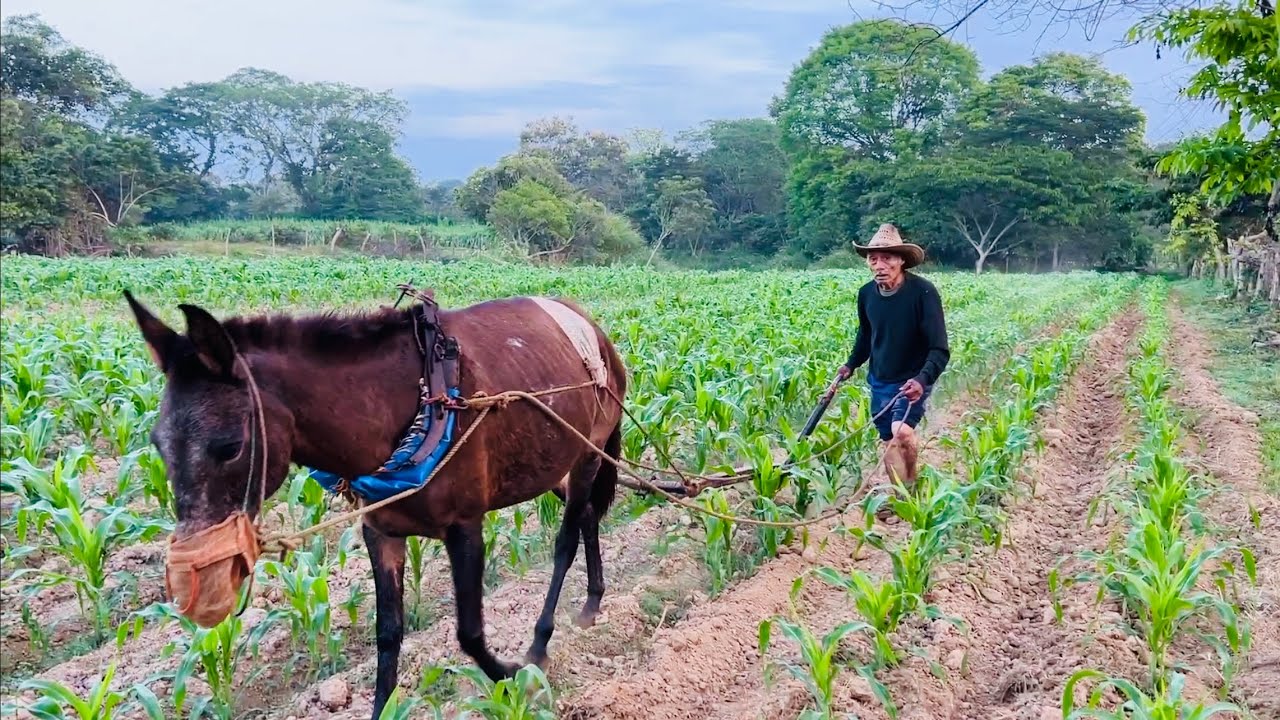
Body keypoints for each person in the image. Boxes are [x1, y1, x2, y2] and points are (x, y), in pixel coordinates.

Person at [837, 223, 949, 487]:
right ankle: (899, 496)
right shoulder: (866, 295)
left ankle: (911, 482)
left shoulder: (923, 293)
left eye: (886, 258)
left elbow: (939, 348)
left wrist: (922, 381)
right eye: (873, 259)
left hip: (913, 378)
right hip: (880, 378)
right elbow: (866, 336)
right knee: (888, 439)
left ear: (901, 260)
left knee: (902, 432)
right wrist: (850, 364)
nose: (879, 265)